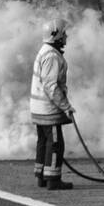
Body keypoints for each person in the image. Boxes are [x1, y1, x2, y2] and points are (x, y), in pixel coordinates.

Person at [29, 18, 75, 190]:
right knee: (55, 144)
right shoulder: (52, 56)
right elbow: (51, 86)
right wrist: (65, 106)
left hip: (39, 108)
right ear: (57, 36)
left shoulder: (45, 51)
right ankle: (53, 179)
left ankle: (41, 175)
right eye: (64, 33)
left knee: (43, 141)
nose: (66, 36)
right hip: (48, 110)